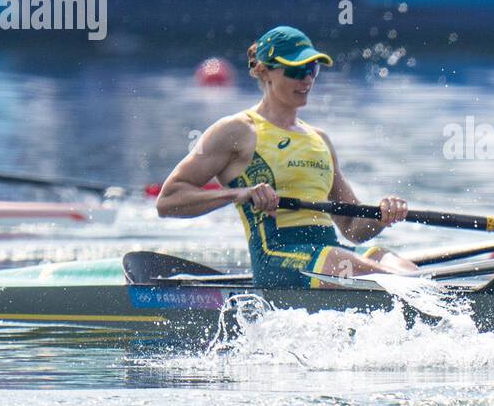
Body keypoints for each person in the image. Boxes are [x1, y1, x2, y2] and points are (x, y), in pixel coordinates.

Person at [156, 25, 416, 286]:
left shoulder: (320, 139)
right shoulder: (236, 130)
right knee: (384, 278)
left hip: (329, 255)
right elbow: (167, 200)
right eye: (296, 71)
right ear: (263, 71)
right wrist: (239, 194)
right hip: (276, 257)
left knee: (402, 268)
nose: (307, 80)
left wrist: (382, 216)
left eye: (312, 70)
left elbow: (351, 227)